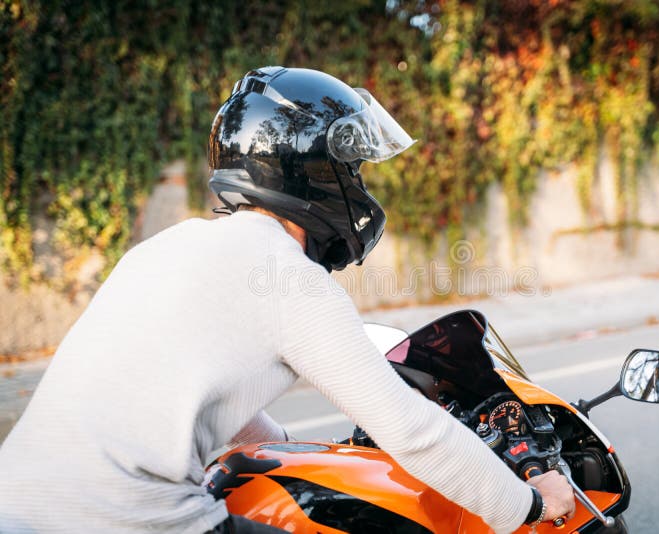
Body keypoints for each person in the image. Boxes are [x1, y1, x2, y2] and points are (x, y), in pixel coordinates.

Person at [0, 67, 575, 533]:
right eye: (352, 170)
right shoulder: (289, 279)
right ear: (312, 173)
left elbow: (203, 390)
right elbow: (411, 431)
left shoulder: (165, 248)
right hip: (129, 518)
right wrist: (525, 503)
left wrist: (297, 451)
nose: (359, 188)